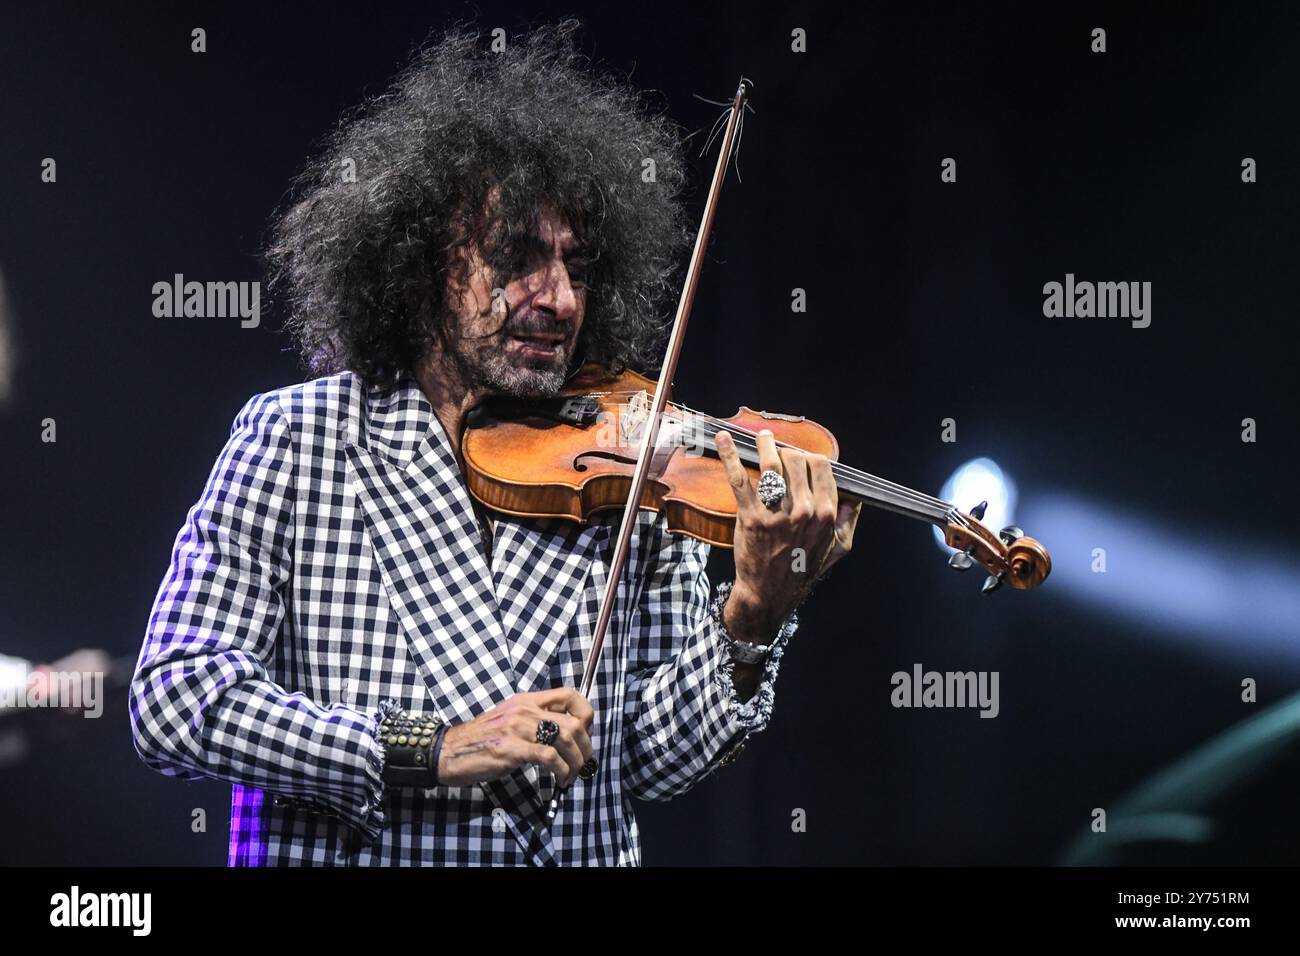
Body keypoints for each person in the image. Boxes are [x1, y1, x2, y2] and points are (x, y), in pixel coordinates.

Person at [129, 20, 860, 866]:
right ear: (421, 265)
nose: (557, 298)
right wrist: (430, 747)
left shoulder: (630, 463)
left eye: (578, 268)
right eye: (518, 258)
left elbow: (648, 762)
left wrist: (754, 612)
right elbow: (173, 700)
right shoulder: (298, 438)